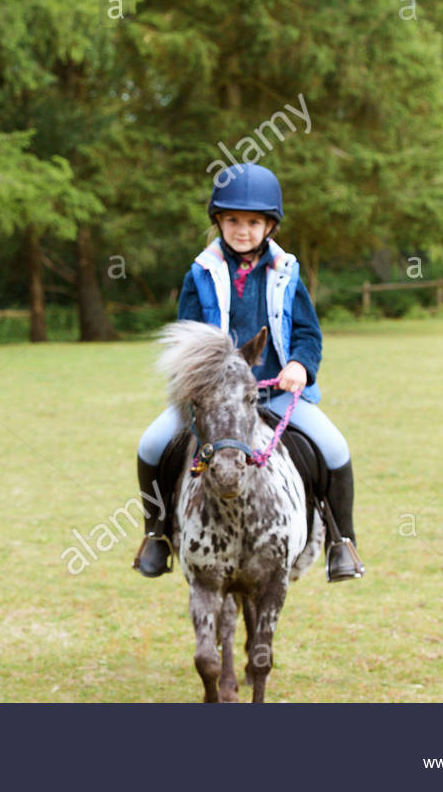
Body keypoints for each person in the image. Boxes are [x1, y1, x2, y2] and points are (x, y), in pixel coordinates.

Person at [130, 163, 364, 582]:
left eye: (253, 222)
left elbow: (308, 333)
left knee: (335, 448)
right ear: (218, 221)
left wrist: (299, 365)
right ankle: (157, 535)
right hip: (216, 402)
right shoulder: (199, 273)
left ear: (269, 226)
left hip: (276, 395)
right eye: (233, 220)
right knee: (152, 445)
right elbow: (188, 341)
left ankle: (341, 542)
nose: (242, 230)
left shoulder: (288, 272)